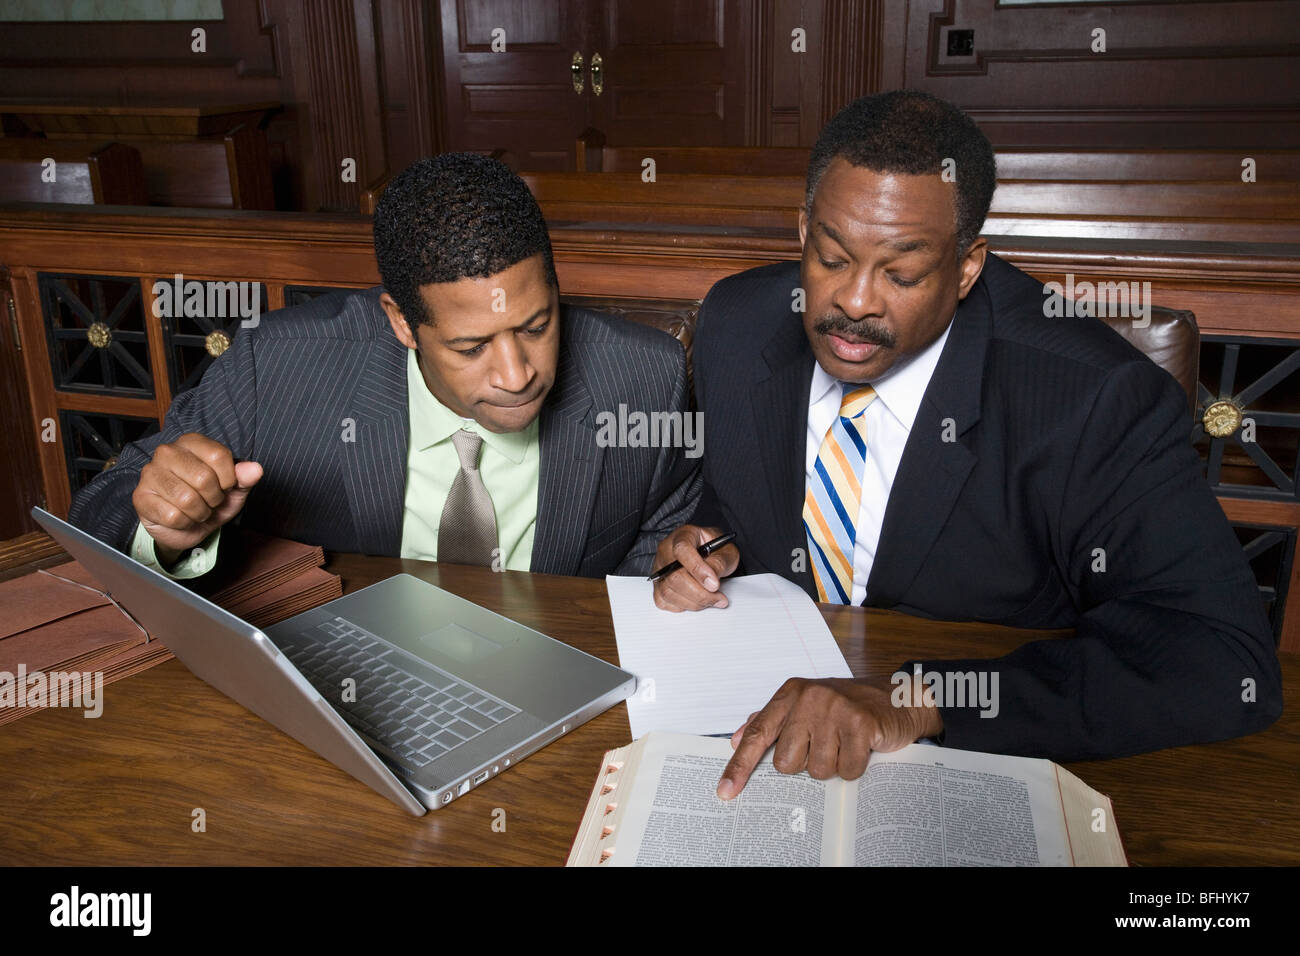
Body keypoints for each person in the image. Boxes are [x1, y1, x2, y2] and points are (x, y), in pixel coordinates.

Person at [650, 90, 1282, 799]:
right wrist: (712, 547)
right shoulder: (737, 322)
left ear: (968, 266)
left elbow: (1223, 662)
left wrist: (920, 702)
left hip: (967, 772)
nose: (855, 302)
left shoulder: (1093, 397)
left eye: (902, 274)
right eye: (831, 257)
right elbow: (740, 497)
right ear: (804, 230)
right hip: (747, 744)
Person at [69, 153, 700, 580]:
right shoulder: (281, 366)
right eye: (470, 347)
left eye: (536, 327)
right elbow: (103, 506)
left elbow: (662, 543)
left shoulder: (642, 378)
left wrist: (675, 568)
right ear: (400, 321)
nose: (517, 375)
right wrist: (165, 526)